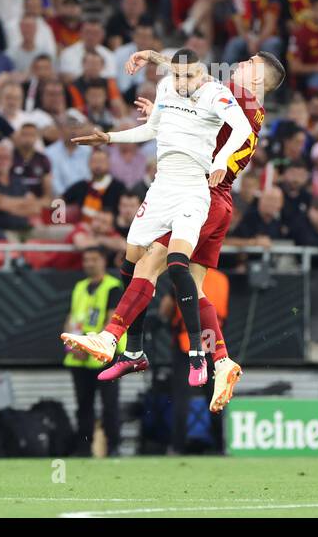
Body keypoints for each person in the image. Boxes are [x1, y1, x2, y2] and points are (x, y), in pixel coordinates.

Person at [93, 49, 285, 415]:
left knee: (146, 263)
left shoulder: (237, 94)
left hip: (201, 195)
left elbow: (190, 72)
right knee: (193, 288)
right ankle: (223, 361)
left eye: (249, 64)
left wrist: (153, 57)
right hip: (221, 203)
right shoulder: (253, 110)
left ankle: (114, 339)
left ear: (258, 79)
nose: (240, 64)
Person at [61, 47, 254, 387]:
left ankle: (191, 352)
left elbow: (240, 129)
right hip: (160, 190)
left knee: (177, 262)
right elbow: (152, 128)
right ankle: (135, 352)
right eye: (178, 75)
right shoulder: (167, 87)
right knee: (132, 263)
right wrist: (109, 137)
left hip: (194, 190)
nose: (184, 82)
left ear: (204, 74)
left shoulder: (217, 92)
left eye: (191, 75)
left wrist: (222, 158)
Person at [62, 246, 123, 456]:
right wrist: (70, 345)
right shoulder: (79, 287)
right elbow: (71, 317)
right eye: (86, 259)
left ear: (103, 262)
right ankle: (83, 448)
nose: (89, 263)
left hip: (105, 357)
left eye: (94, 259)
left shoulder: (113, 287)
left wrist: (89, 347)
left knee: (109, 405)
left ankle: (113, 447)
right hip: (79, 358)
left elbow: (112, 321)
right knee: (83, 406)